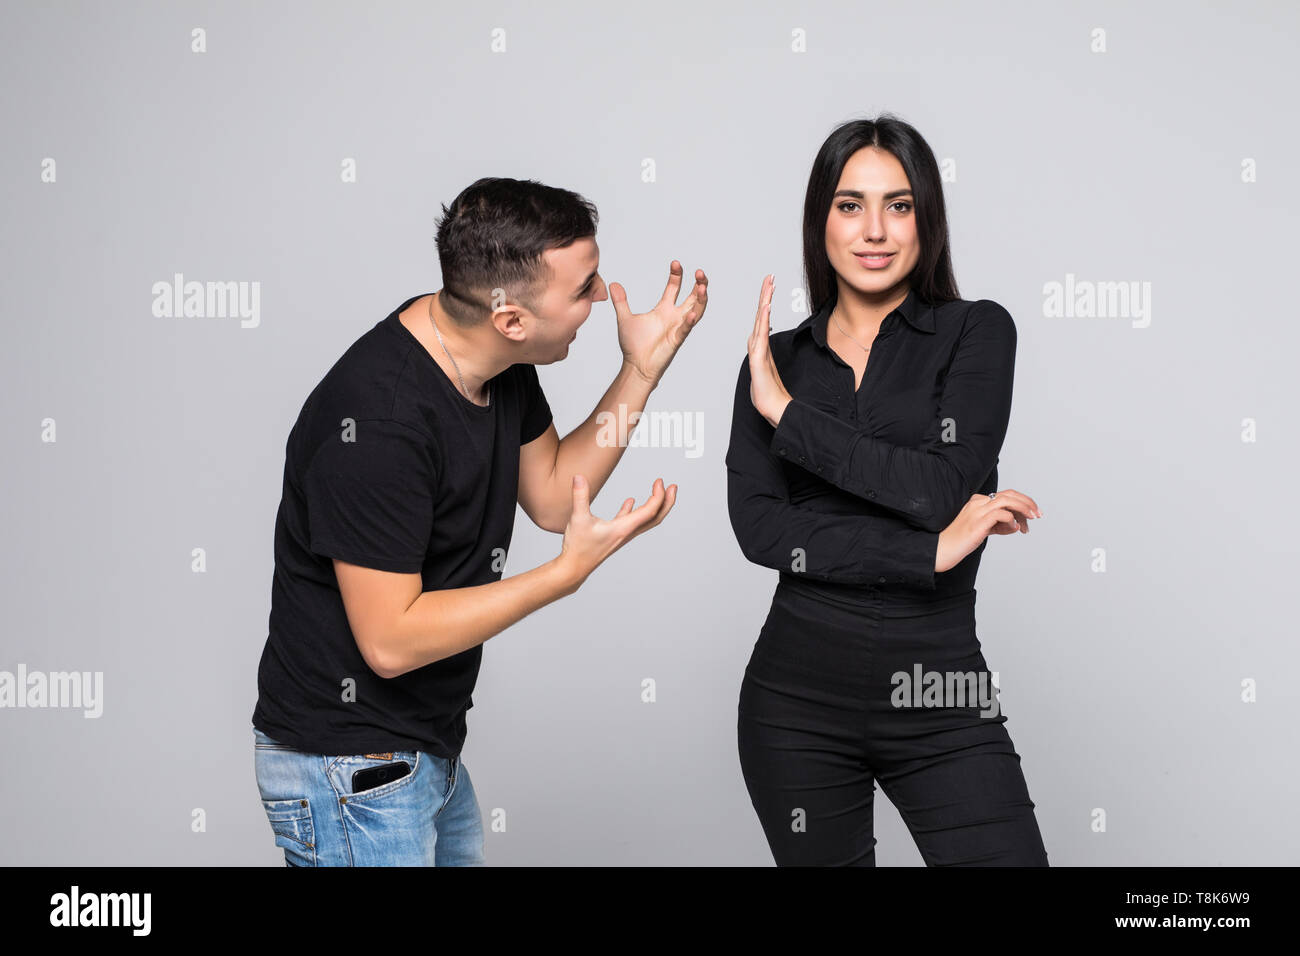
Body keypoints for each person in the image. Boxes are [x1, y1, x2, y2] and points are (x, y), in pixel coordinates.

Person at [251, 177, 708, 865]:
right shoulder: (380, 424)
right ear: (513, 320)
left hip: (420, 754)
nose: (599, 299)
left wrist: (640, 371)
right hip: (350, 770)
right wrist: (563, 576)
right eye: (583, 288)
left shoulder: (495, 359)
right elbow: (391, 641)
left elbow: (555, 494)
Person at [727, 114, 1050, 866]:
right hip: (793, 705)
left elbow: (936, 488)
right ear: (821, 220)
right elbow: (761, 530)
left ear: (925, 219)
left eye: (898, 205)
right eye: (850, 205)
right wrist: (925, 554)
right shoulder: (772, 363)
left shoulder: (978, 333)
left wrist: (789, 419)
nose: (875, 229)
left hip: (939, 695)